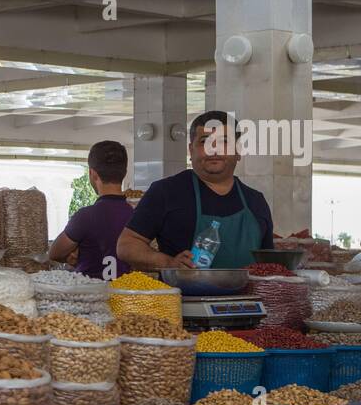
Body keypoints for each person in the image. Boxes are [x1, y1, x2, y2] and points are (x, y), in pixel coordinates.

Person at [118, 110, 275, 270]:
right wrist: (169, 263)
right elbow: (127, 245)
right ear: (191, 150)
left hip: (251, 295)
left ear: (238, 151)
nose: (214, 149)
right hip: (184, 294)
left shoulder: (256, 201)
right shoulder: (166, 192)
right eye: (204, 141)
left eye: (224, 141)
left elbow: (269, 263)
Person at [49, 141, 133, 279]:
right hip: (126, 296)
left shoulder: (85, 216)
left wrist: (74, 254)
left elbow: (55, 253)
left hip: (88, 294)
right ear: (124, 173)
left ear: (93, 174)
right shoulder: (135, 215)